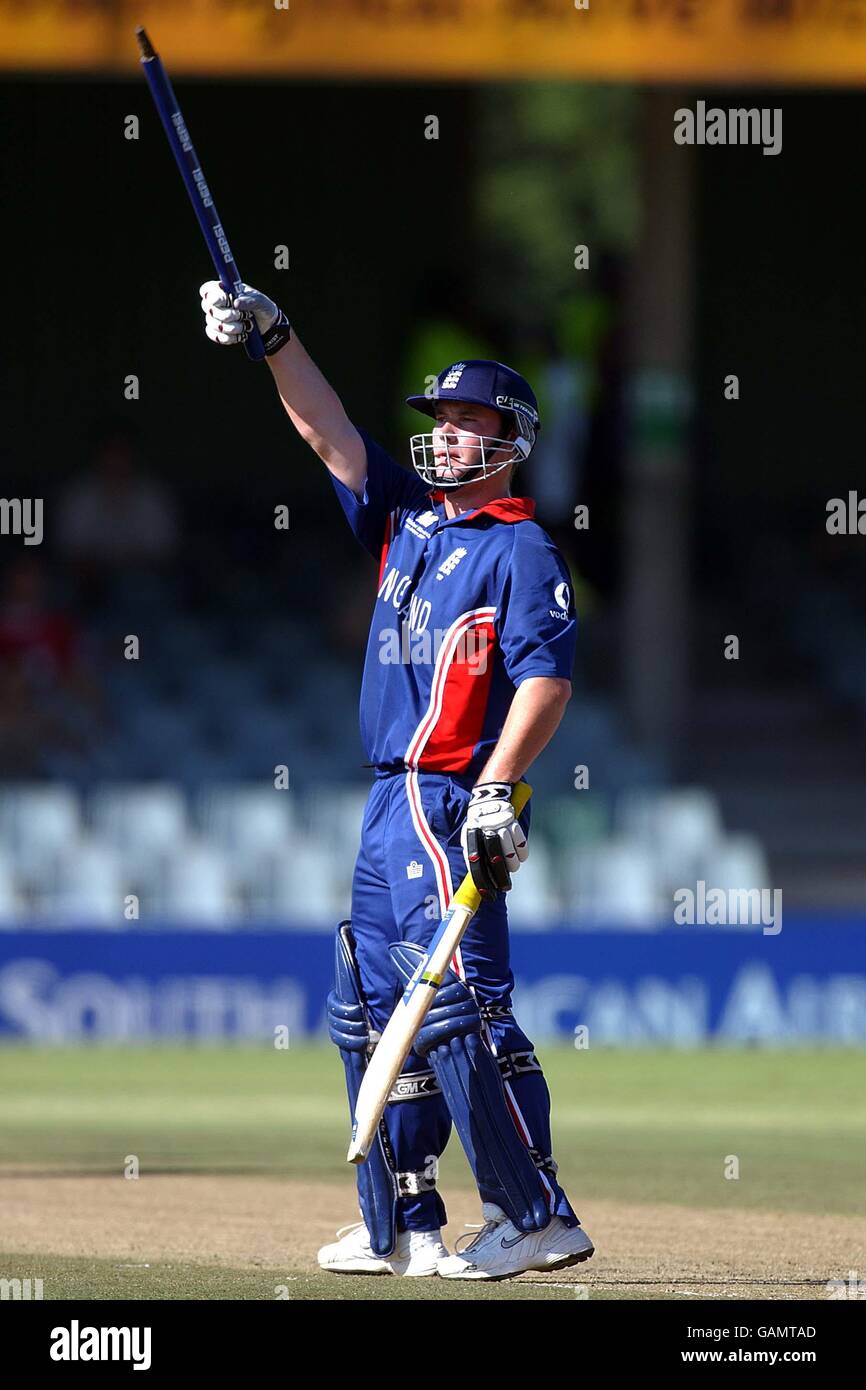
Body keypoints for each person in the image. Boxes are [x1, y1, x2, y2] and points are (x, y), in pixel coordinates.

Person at [199, 281, 595, 1281]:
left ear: (509, 437)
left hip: (446, 795)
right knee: (368, 1005)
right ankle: (402, 1222)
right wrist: (275, 337)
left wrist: (501, 787)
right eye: (440, 420)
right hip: (384, 798)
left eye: (468, 422)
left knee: (455, 1003)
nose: (448, 435)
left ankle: (535, 1211)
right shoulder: (408, 523)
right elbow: (327, 430)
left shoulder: (518, 547)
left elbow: (545, 677)